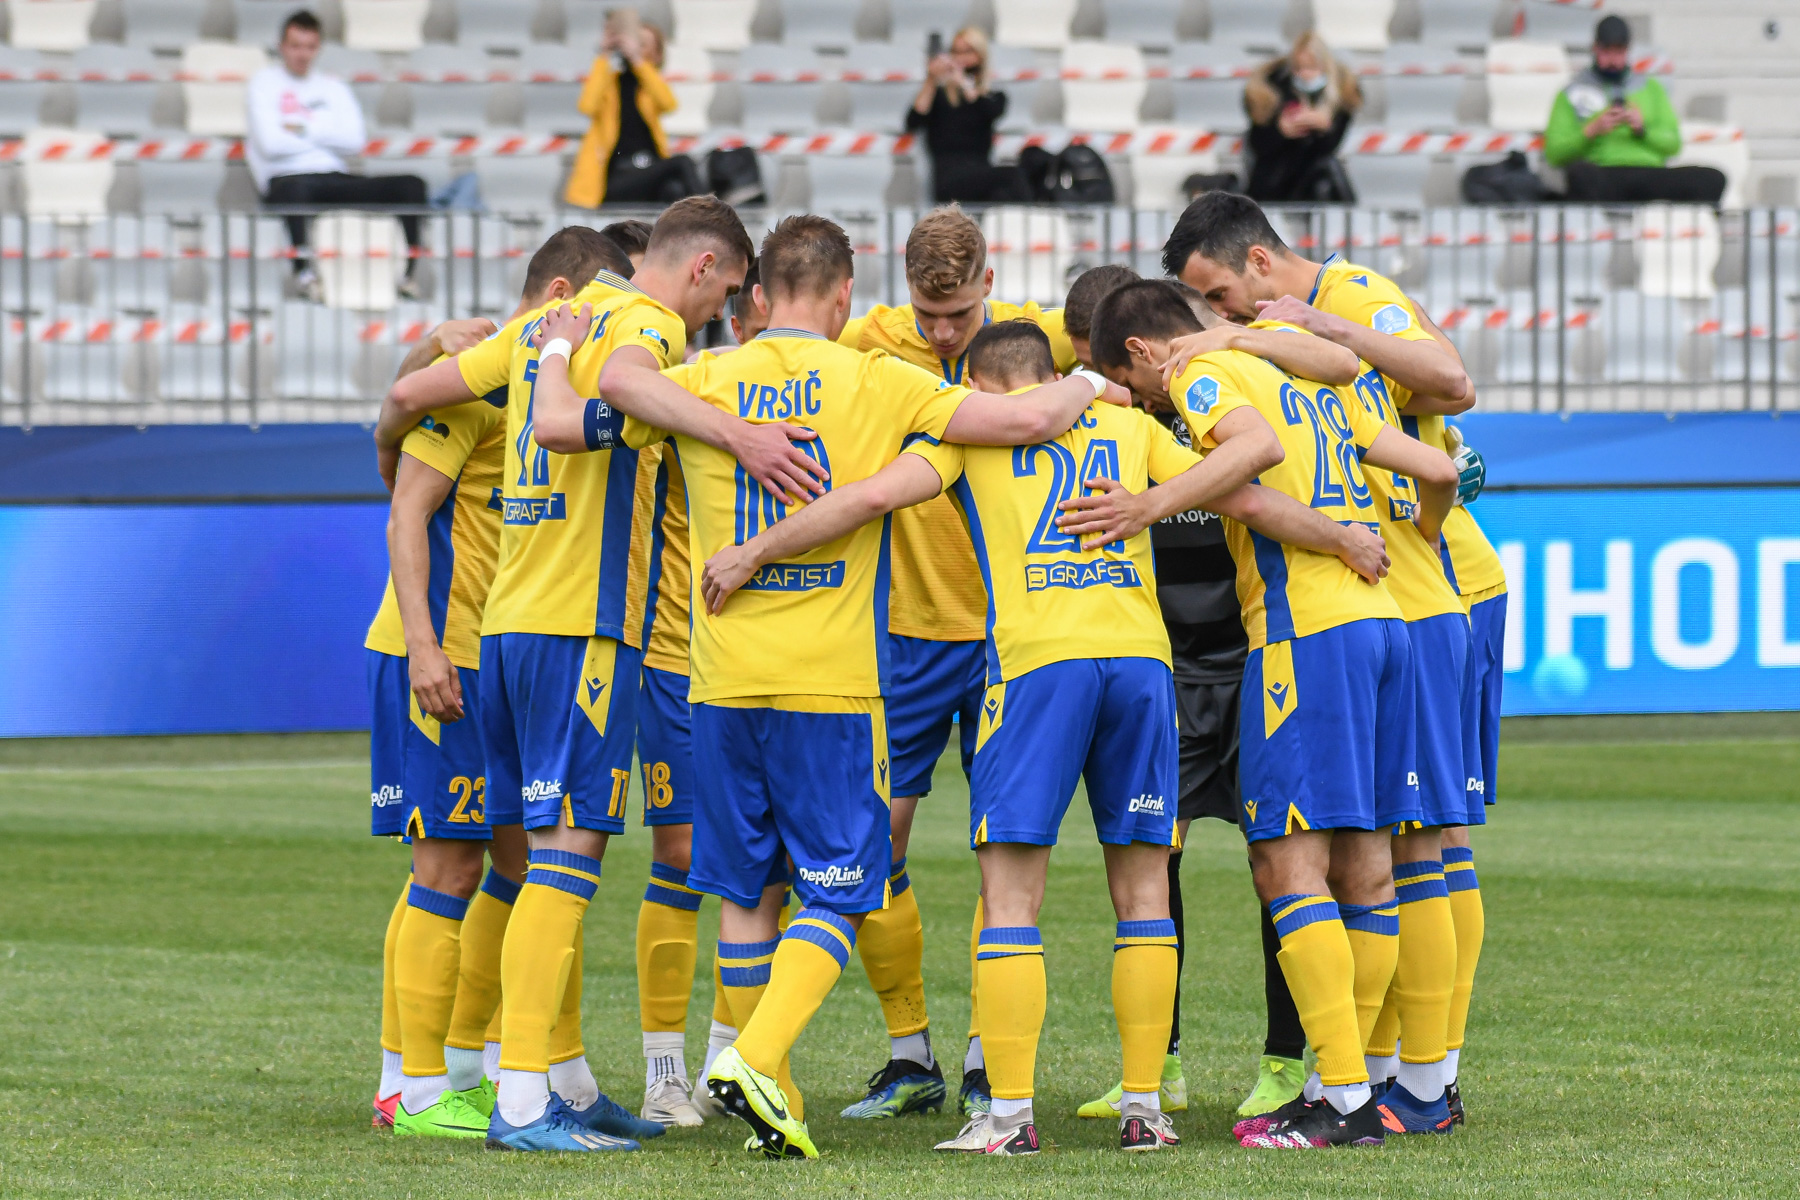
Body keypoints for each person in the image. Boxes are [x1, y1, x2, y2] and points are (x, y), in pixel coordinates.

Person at [608, 214, 1134, 1161]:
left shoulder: (704, 378)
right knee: (848, 887)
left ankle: (772, 1097)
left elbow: (614, 379)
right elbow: (1024, 419)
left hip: (718, 679)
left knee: (746, 891)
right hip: (833, 680)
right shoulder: (875, 374)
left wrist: (731, 431)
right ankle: (759, 1060)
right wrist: (1096, 381)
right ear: (848, 294)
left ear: (757, 295)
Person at [379, 196, 821, 1154]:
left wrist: (483, 368)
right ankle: (522, 1102)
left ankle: (551, 1082)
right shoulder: (649, 326)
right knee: (564, 866)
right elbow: (596, 402)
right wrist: (737, 433)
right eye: (725, 296)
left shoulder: (549, 322)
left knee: (535, 864)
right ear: (704, 268)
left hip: (503, 628)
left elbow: (412, 396)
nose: (718, 316)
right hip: (585, 629)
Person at [1091, 279, 1459, 1150]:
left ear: (1143, 351)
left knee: (1286, 866)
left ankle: (1343, 1101)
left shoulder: (1198, 373)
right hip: (1385, 623)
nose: (1150, 402)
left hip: (1306, 636)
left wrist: (1147, 504)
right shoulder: (1298, 369)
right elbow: (1432, 462)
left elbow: (1250, 463)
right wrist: (1412, 532)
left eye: (1135, 383)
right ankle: (1355, 1085)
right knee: (1365, 870)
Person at [1167, 192, 1504, 1125]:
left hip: (1412, 599)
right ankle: (1390, 1074)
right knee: (1403, 848)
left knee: (1420, 845)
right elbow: (1433, 448)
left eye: (1222, 295)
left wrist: (1424, 537)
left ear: (1260, 261)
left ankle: (1416, 1081)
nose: (1221, 315)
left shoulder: (1344, 297)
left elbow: (1452, 382)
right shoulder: (1297, 358)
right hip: (1405, 601)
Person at [1059, 264, 1369, 1123]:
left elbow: (1266, 475)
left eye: (1116, 375)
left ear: (1138, 348)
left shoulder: (1222, 381)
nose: (1123, 395)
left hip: (1258, 656)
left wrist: (1338, 537)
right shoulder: (1116, 421)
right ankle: (1158, 1065)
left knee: (1285, 860)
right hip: (1170, 664)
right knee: (1155, 861)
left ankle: (1287, 1061)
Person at [364, 229, 626, 1138]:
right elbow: (405, 509)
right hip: (439, 652)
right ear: (559, 296)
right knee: (445, 864)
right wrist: (426, 647)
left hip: (495, 653)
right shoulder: (474, 379)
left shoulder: (538, 384)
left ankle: (472, 1068)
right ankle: (410, 1086)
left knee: (518, 864)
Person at [832, 207, 1079, 1120]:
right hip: (902, 635)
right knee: (876, 844)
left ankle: (984, 1059)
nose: (942, 334)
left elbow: (1146, 349)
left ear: (990, 286)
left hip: (1013, 640)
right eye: (928, 317)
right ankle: (910, 1057)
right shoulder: (867, 341)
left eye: (960, 316)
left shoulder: (1040, 340)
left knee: (1001, 852)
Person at [247, 10, 429, 302]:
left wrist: (300, 128)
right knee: (295, 190)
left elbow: (354, 142)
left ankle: (407, 275)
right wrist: (326, 132)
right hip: (288, 180)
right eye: (295, 46)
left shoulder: (334, 87)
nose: (302, 54)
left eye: (310, 46)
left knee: (411, 185)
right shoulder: (263, 83)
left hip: (335, 178)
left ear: (319, 48)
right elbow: (271, 145)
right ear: (281, 46)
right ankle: (305, 275)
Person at [1544, 14, 1725, 204]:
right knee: (1580, 175)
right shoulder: (1571, 92)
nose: (1613, 60)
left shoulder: (1651, 88)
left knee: (1712, 178)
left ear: (1628, 50)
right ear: (1595, 48)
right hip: (1604, 173)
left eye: (1619, 52)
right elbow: (1554, 154)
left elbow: (1674, 145)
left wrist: (1642, 129)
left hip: (1649, 173)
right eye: (1607, 51)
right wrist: (1592, 130)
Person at [565, 15, 703, 208]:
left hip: (651, 168)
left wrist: (639, 62)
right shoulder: (610, 83)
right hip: (618, 176)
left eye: (642, 45)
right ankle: (711, 214)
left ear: (656, 54)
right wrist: (604, 54)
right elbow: (587, 106)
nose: (635, 49)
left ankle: (697, 222)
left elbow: (669, 103)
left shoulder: (649, 88)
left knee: (674, 190)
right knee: (683, 162)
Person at [906, 27, 1032, 204]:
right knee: (1011, 175)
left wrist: (965, 84)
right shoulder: (940, 96)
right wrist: (931, 79)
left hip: (980, 173)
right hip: (949, 178)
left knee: (1002, 195)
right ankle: (1035, 217)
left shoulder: (992, 97)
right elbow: (913, 121)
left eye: (967, 52)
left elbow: (991, 111)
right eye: (955, 52)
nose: (960, 58)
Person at [1242, 31, 1361, 204]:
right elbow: (1257, 143)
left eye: (1311, 68)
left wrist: (1325, 128)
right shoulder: (1271, 93)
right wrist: (1280, 131)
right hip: (1274, 181)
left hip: (1315, 185)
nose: (1305, 74)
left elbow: (1330, 147)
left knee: (1325, 169)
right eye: (1299, 68)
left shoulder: (1342, 95)